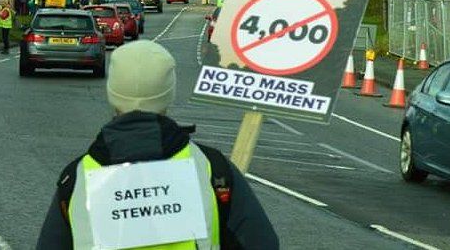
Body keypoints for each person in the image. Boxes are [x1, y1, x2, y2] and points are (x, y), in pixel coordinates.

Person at [36, 41, 278, 250]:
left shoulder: (78, 178)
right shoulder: (213, 170)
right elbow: (262, 243)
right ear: (170, 92)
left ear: (112, 92)